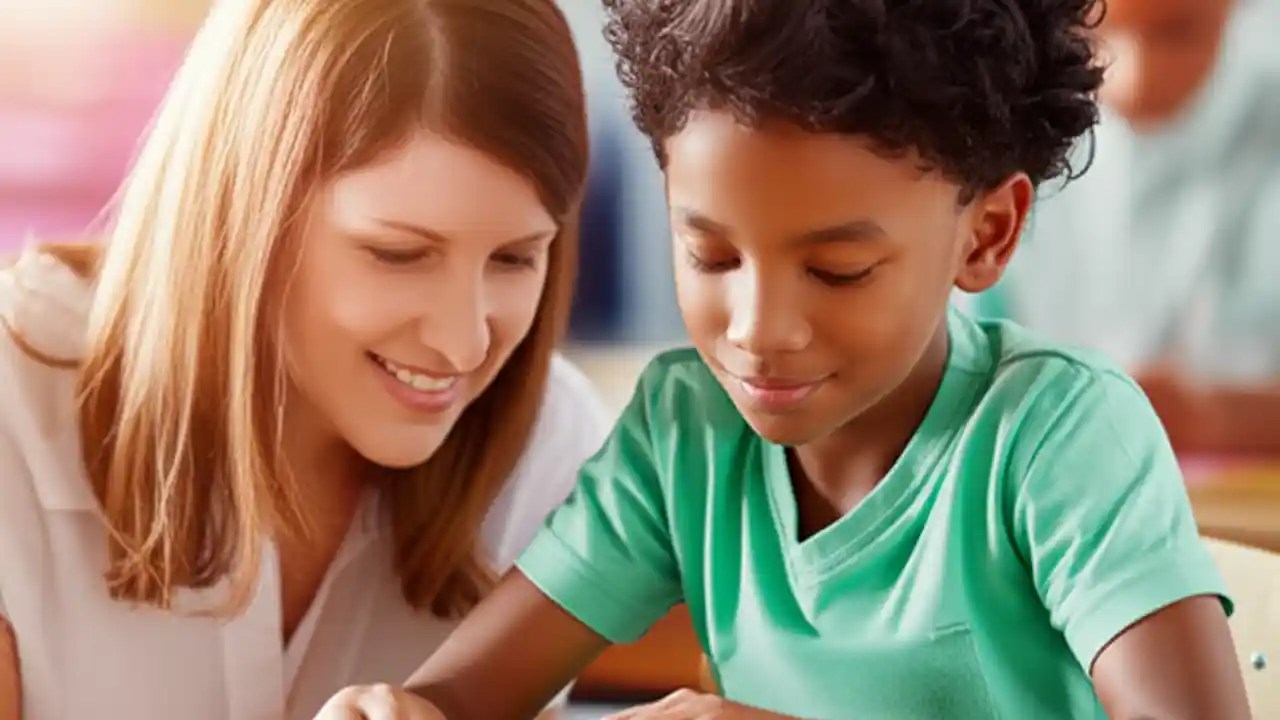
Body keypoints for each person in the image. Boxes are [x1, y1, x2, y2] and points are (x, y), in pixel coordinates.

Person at [318, 0, 1251, 718]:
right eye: (711, 256)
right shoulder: (684, 432)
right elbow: (462, 696)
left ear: (987, 233)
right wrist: (399, 708)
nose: (759, 329)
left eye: (838, 270)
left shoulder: (1057, 436)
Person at [0, 0, 606, 718]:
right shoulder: (15, 417)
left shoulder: (551, 450)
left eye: (514, 259)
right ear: (242, 209)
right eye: (399, 254)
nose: (465, 343)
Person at [970, 0, 1280, 455]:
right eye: (1099, 34)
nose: (1135, 69)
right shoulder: (1021, 145)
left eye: (1176, 34)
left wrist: (1213, 416)